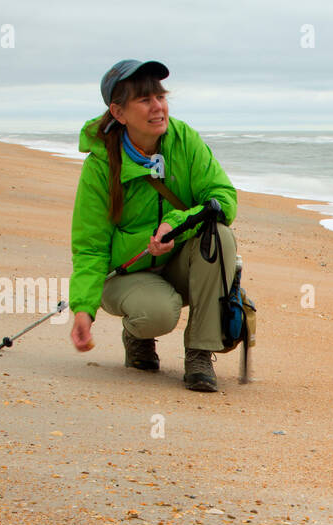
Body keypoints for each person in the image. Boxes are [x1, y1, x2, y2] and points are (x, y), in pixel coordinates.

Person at [67, 59, 238, 392]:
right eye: (145, 100)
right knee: (157, 314)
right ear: (119, 113)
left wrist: (173, 225)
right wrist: (83, 310)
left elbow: (222, 199)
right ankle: (136, 336)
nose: (158, 107)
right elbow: (90, 246)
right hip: (127, 275)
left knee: (220, 234)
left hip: (176, 262)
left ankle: (200, 353)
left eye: (160, 97)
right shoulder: (100, 165)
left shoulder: (184, 138)